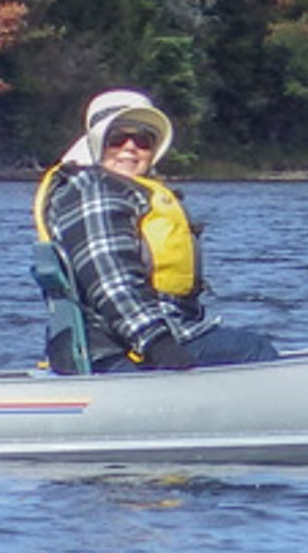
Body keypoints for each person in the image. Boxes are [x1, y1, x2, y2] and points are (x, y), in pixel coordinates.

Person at [34, 88, 281, 371]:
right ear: (98, 144)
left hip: (143, 338)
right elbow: (111, 281)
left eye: (142, 141)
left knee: (240, 345)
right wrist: (158, 344)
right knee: (253, 351)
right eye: (117, 139)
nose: (130, 148)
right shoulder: (94, 191)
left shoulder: (122, 190)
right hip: (117, 351)